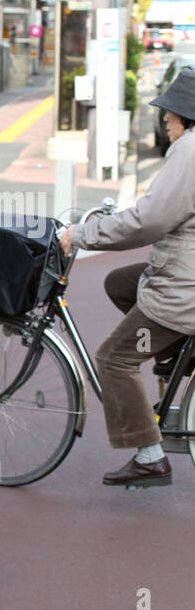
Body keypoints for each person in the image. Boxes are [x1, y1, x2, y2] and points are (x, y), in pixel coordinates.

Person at [57, 68, 195, 488]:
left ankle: (150, 457)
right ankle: (174, 356)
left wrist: (83, 234)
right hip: (186, 273)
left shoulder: (190, 149)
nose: (165, 122)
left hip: (186, 288)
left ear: (184, 115)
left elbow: (150, 220)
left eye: (168, 115)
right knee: (120, 282)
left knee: (114, 357)